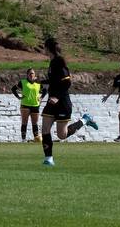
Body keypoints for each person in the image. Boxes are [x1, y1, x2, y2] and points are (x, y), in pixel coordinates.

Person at [40, 38, 94, 167]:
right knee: (45, 129)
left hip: (62, 103)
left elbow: (67, 82)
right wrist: (39, 82)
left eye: (44, 47)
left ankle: (84, 120)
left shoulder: (58, 62)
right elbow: (54, 82)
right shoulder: (52, 62)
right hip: (52, 102)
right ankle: (49, 159)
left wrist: (57, 96)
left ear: (48, 48)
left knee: (62, 135)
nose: (43, 49)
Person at [11, 68, 44, 141]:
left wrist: (41, 97)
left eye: (32, 73)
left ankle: (36, 139)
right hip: (25, 105)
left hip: (35, 105)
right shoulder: (23, 82)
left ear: (35, 75)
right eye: (30, 73)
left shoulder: (38, 83)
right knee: (24, 122)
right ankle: (23, 139)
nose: (31, 75)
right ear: (27, 75)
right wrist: (18, 97)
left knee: (35, 123)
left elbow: (45, 90)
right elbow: (13, 89)